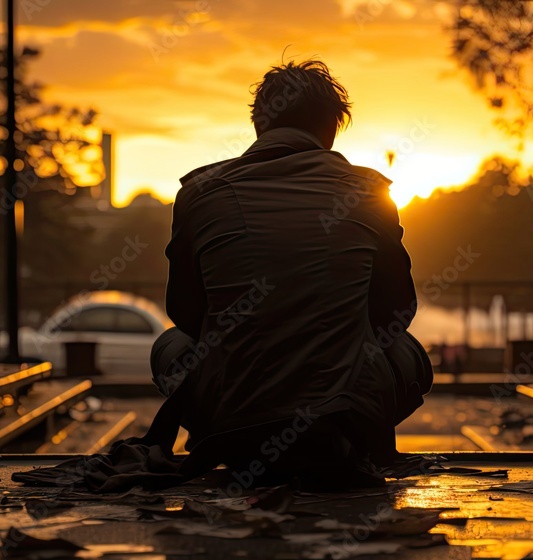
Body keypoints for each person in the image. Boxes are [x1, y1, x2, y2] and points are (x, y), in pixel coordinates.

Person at [150, 59, 432, 486]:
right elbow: (396, 313)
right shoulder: (370, 193)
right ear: (332, 128)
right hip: (342, 421)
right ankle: (350, 445)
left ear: (259, 124)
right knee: (408, 354)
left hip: (231, 424)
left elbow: (186, 315)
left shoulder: (198, 193)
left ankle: (234, 441)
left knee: (169, 346)